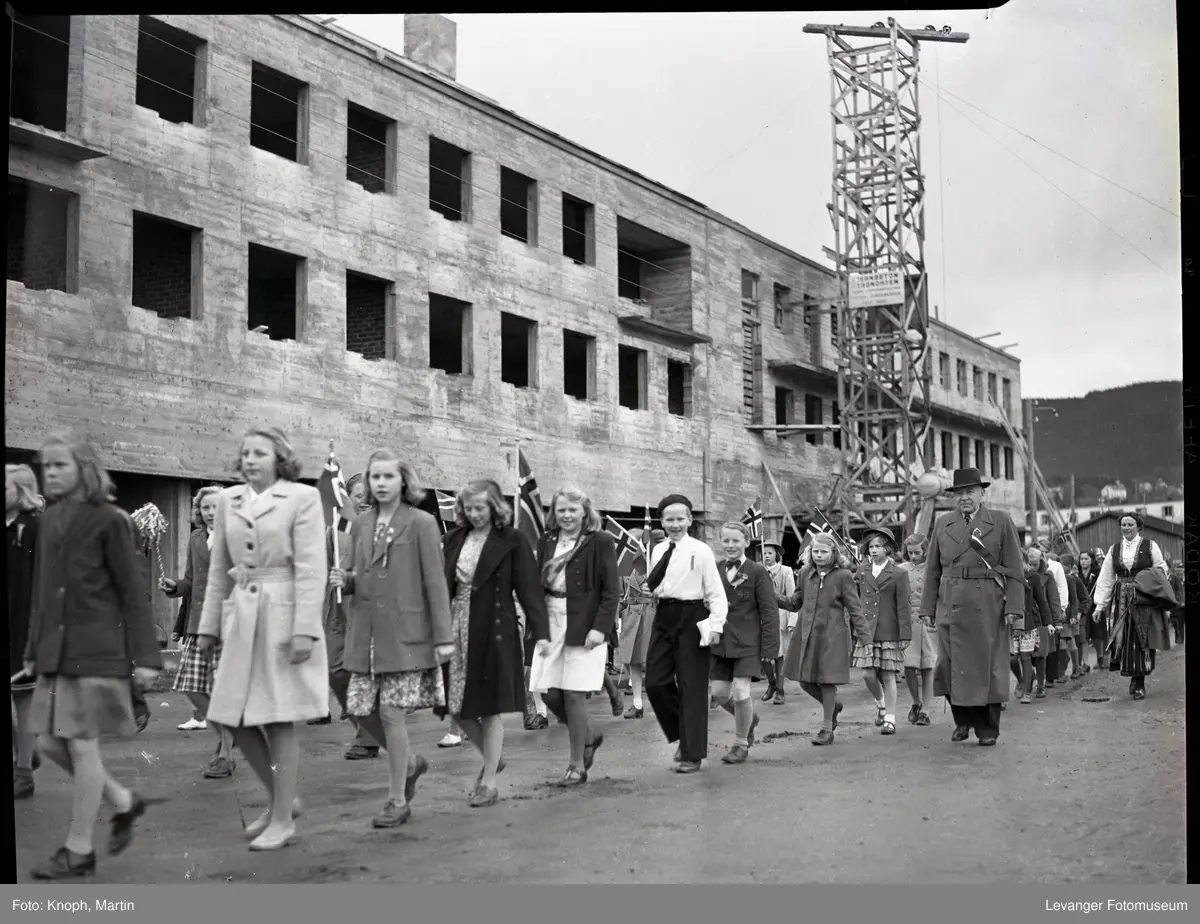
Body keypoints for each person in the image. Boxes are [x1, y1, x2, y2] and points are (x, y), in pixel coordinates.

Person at [24, 433, 162, 878]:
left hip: (96, 652)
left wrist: (146, 657)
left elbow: (133, 595)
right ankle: (124, 802)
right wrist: (31, 651)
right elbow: (42, 595)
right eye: (46, 466)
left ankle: (79, 849)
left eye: (60, 465)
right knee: (46, 743)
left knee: (82, 747)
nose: (51, 473)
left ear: (84, 468)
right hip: (55, 655)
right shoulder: (49, 520)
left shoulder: (110, 521)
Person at [196, 426, 329, 851]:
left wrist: (305, 629)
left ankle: (283, 817)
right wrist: (207, 626)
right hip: (241, 615)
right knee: (228, 714)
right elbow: (219, 571)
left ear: (280, 458)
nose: (250, 460)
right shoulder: (229, 502)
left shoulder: (302, 498)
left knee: (276, 715)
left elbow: (312, 568)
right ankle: (281, 800)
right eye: (245, 453)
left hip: (283, 612)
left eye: (260, 453)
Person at [330, 451, 452, 827]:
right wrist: (346, 580)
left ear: (404, 482)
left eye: (388, 476)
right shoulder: (362, 524)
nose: (380, 483)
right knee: (361, 710)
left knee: (390, 712)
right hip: (364, 633)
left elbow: (435, 580)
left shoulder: (423, 523)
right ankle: (412, 764)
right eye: (375, 477)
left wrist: (443, 636)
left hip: (405, 635)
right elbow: (363, 575)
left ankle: (397, 799)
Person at [440, 480, 550, 806]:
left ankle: (489, 781)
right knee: (451, 702)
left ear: (494, 507)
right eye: (468, 508)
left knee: (488, 707)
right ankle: (493, 756)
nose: (474, 514)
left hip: (494, 627)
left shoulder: (512, 540)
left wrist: (541, 632)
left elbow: (529, 588)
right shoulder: (453, 538)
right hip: (454, 625)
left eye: (480, 508)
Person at [919, 468, 1025, 746]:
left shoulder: (1000, 521)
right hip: (951, 603)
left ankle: (988, 729)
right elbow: (932, 570)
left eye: (970, 491)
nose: (964, 497)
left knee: (988, 668)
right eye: (959, 493)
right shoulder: (943, 523)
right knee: (950, 666)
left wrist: (1015, 606)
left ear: (981, 493)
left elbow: (1014, 568)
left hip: (988, 604)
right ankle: (962, 721)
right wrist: (927, 609)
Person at [528, 486, 619, 786]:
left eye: (572, 510)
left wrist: (600, 628)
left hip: (584, 622)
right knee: (549, 692)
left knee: (573, 694)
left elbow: (611, 591)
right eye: (561, 510)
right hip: (550, 619)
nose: (566, 515)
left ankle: (576, 765)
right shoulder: (547, 540)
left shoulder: (601, 541)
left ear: (585, 512)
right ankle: (589, 736)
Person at [644, 494, 727, 774]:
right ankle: (684, 731)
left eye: (681, 518)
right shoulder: (657, 550)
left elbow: (715, 591)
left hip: (692, 617)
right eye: (670, 519)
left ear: (690, 520)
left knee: (692, 687)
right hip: (664, 616)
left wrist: (716, 625)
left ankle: (693, 753)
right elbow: (657, 583)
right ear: (662, 521)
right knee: (655, 682)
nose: (675, 524)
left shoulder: (701, 550)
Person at [160, 485, 236, 778]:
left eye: (217, 507)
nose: (211, 512)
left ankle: (225, 754)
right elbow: (192, 582)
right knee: (194, 688)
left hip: (228, 625)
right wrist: (176, 586)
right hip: (198, 625)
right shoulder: (195, 538)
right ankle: (225, 739)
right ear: (198, 511)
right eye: (205, 508)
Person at [776, 533, 869, 745]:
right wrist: (770, 595)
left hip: (832, 636)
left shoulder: (843, 576)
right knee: (804, 681)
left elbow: (855, 609)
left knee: (827, 683)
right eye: (815, 551)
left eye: (824, 552)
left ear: (833, 553)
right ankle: (833, 706)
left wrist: (866, 639)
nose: (819, 555)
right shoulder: (805, 573)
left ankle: (827, 728)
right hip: (806, 634)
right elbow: (794, 603)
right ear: (810, 552)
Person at [322, 473, 384, 760]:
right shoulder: (334, 531)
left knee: (363, 673)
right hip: (337, 607)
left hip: (370, 607)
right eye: (357, 496)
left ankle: (367, 737)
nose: (364, 501)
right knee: (335, 671)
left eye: (367, 496)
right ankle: (369, 726)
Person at [711, 522, 778, 764]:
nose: (730, 545)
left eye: (736, 541)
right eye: (726, 540)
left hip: (748, 643)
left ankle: (740, 744)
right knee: (719, 693)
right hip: (719, 643)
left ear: (746, 543)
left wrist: (770, 649)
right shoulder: (715, 568)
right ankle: (750, 718)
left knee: (740, 690)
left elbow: (770, 611)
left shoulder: (757, 571)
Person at [1092, 512, 1172, 700]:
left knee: (1141, 637)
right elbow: (1106, 577)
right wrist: (1099, 605)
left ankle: (1139, 682)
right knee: (1123, 636)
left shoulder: (1150, 546)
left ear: (1138, 527)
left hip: (1143, 597)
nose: (1126, 528)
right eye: (1124, 525)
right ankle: (1132, 676)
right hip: (1120, 598)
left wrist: (1148, 583)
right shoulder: (1114, 549)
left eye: (1130, 524)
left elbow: (1161, 569)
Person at [852, 526, 911, 736]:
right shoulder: (862, 570)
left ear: (888, 549)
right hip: (866, 631)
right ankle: (881, 704)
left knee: (888, 676)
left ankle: (891, 719)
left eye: (878, 546)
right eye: (871, 546)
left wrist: (905, 634)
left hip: (889, 630)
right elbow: (852, 595)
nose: (874, 550)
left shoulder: (899, 574)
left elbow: (904, 606)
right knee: (868, 675)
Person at [8, 464, 44, 800]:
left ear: (19, 493)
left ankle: (23, 774)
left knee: (23, 697)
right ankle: (26, 747)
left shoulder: (34, 527)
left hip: (23, 626)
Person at [617, 528, 664, 719]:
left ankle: (665, 703)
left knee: (655, 663)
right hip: (630, 619)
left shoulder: (658, 566)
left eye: (636, 544)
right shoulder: (625, 569)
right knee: (632, 662)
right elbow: (621, 596)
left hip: (651, 617)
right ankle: (637, 705)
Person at [898, 534, 936, 726]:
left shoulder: (933, 569)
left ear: (926, 551)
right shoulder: (901, 570)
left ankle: (926, 711)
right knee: (909, 666)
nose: (913, 556)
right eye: (910, 552)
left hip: (929, 622)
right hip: (908, 622)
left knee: (928, 667)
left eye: (917, 552)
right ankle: (916, 702)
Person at [759, 537, 794, 705]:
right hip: (761, 616)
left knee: (779, 656)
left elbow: (791, 597)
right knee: (763, 655)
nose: (766, 556)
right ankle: (771, 683)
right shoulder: (757, 570)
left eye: (770, 553)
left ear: (777, 555)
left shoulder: (786, 571)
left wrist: (792, 619)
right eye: (764, 553)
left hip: (780, 615)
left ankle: (780, 690)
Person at [1014, 548, 1052, 704]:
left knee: (1025, 657)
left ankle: (1027, 693)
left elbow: (1041, 601)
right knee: (1010, 659)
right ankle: (1023, 679)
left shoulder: (1033, 577)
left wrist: (1049, 622)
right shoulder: (1007, 576)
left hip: (1028, 623)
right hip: (1010, 623)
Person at [1077, 550, 1105, 669]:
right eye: (1081, 559)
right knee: (1083, 637)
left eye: (1086, 559)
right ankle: (1085, 663)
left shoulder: (1099, 573)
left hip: (1095, 607)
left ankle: (1100, 657)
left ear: (1091, 560)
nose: (1083, 561)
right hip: (1082, 608)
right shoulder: (1076, 574)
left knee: (1096, 635)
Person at [1168, 560, 1185, 645]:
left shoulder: (1176, 578)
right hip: (1173, 604)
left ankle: (1180, 638)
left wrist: (1179, 601)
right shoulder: (1168, 579)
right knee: (1176, 622)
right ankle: (1178, 638)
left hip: (1178, 604)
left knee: (1179, 622)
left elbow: (1179, 591)